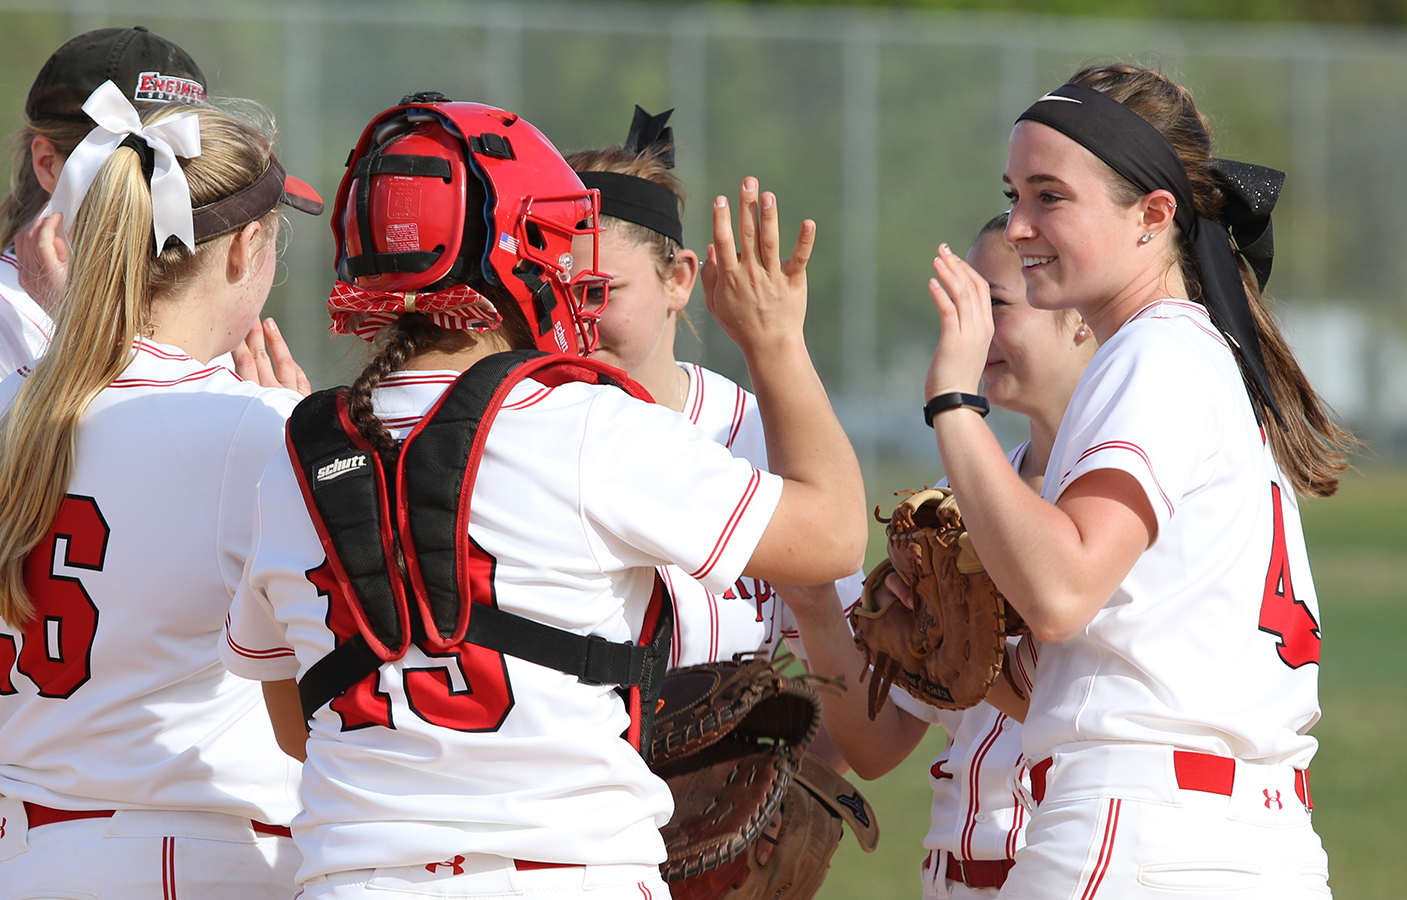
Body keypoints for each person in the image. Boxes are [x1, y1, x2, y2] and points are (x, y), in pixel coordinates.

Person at [219, 95, 866, 900]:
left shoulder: (298, 454)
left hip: (356, 877)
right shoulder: (588, 423)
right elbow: (837, 535)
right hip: (562, 872)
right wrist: (775, 344)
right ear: (515, 251)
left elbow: (296, 728)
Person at [922, 63, 1350, 897]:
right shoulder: (1207, 359)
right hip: (1253, 844)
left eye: (1050, 196)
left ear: (1153, 216)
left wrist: (954, 405)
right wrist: (987, 666)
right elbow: (1113, 642)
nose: (1015, 225)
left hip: (1140, 835)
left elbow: (1061, 588)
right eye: (1013, 193)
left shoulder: (1153, 349)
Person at [0, 92, 324, 899]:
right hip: (184, 858)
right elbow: (332, 706)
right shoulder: (252, 428)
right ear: (244, 250)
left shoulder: (5, 407)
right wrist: (311, 444)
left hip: (16, 859)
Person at [0, 26, 211, 900]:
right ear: (49, 164)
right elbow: (6, 514)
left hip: (160, 782)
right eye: (131, 154)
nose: (159, 182)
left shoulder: (199, 324)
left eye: (178, 159)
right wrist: (83, 335)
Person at [782, 212, 1096, 899]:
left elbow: (1099, 707)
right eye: (963, 307)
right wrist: (815, 606)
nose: (969, 332)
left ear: (1082, 316)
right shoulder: (957, 505)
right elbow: (875, 745)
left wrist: (964, 661)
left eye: (994, 306)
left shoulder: (1122, 504)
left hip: (1077, 869)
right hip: (954, 876)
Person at [567, 107, 864, 669]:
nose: (576, 319)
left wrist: (788, 759)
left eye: (600, 291)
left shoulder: (762, 436)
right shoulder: (521, 432)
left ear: (678, 280)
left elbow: (861, 724)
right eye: (553, 291)